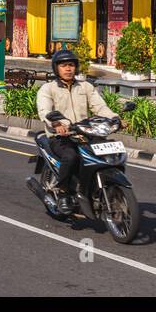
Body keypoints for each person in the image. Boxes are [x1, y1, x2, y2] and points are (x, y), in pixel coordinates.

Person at [36, 47, 117, 215]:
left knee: (107, 152)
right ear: (56, 68)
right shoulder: (48, 89)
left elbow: (99, 106)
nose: (68, 69)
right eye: (64, 65)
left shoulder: (85, 87)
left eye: (71, 65)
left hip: (85, 134)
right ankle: (64, 192)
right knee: (71, 157)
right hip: (60, 137)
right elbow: (45, 110)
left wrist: (115, 118)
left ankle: (100, 186)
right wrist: (57, 123)